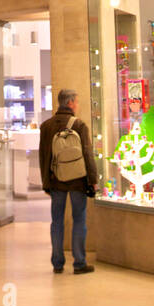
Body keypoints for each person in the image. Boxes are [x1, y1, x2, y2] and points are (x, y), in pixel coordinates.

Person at [39, 88, 98, 275]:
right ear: (70, 103)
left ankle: (57, 263)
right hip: (78, 181)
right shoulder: (79, 125)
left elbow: (44, 157)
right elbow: (88, 154)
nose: (77, 106)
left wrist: (46, 183)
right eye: (77, 102)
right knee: (79, 219)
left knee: (56, 222)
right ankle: (79, 263)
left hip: (56, 181)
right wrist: (93, 179)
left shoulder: (46, 126)